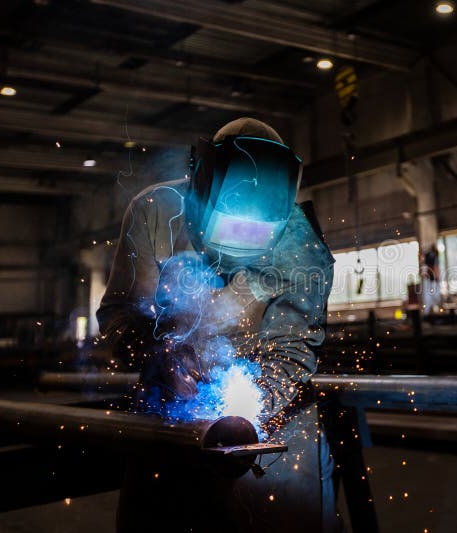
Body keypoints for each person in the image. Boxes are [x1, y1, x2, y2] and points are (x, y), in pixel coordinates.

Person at [97, 118, 337, 532]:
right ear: (201, 189)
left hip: (272, 435)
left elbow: (292, 350)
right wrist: (153, 352)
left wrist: (250, 406)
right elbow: (119, 315)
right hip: (169, 420)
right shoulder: (157, 211)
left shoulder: (300, 245)